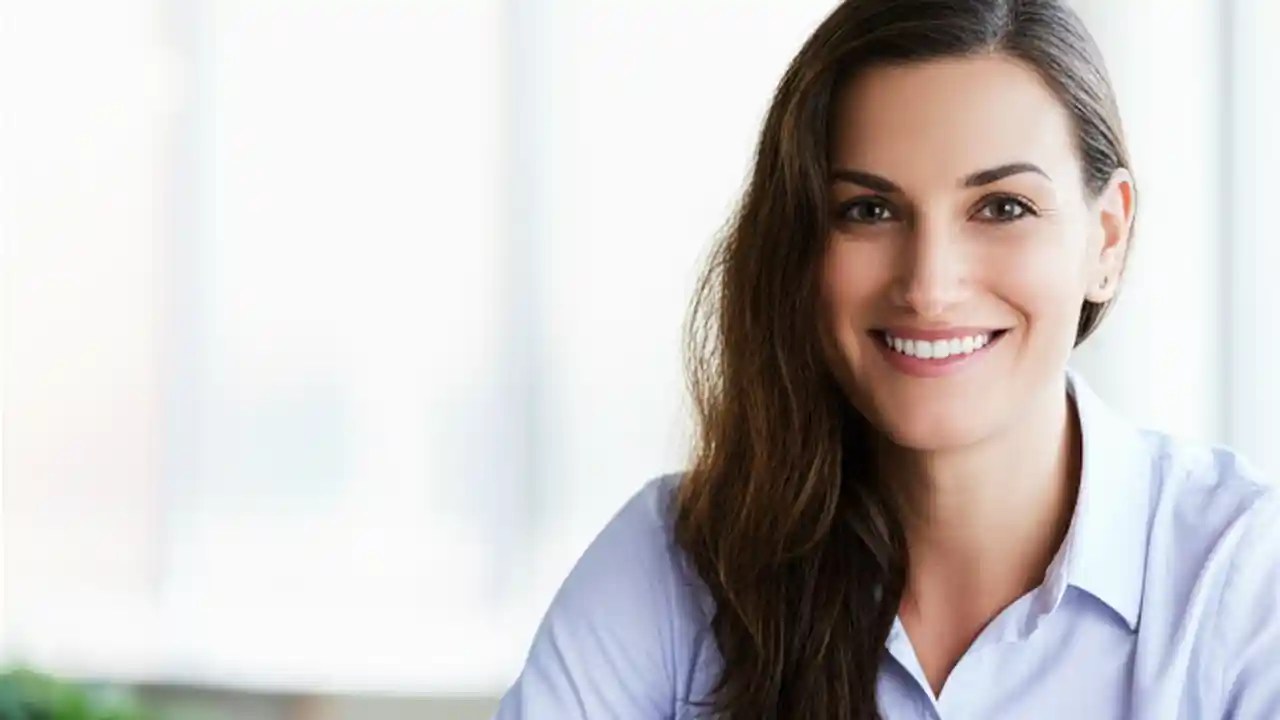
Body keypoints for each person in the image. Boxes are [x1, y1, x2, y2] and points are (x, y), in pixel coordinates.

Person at [494, 0, 1280, 717]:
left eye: (1002, 208)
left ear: (1107, 237)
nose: (929, 287)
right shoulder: (672, 565)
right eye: (868, 211)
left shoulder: (1244, 584)